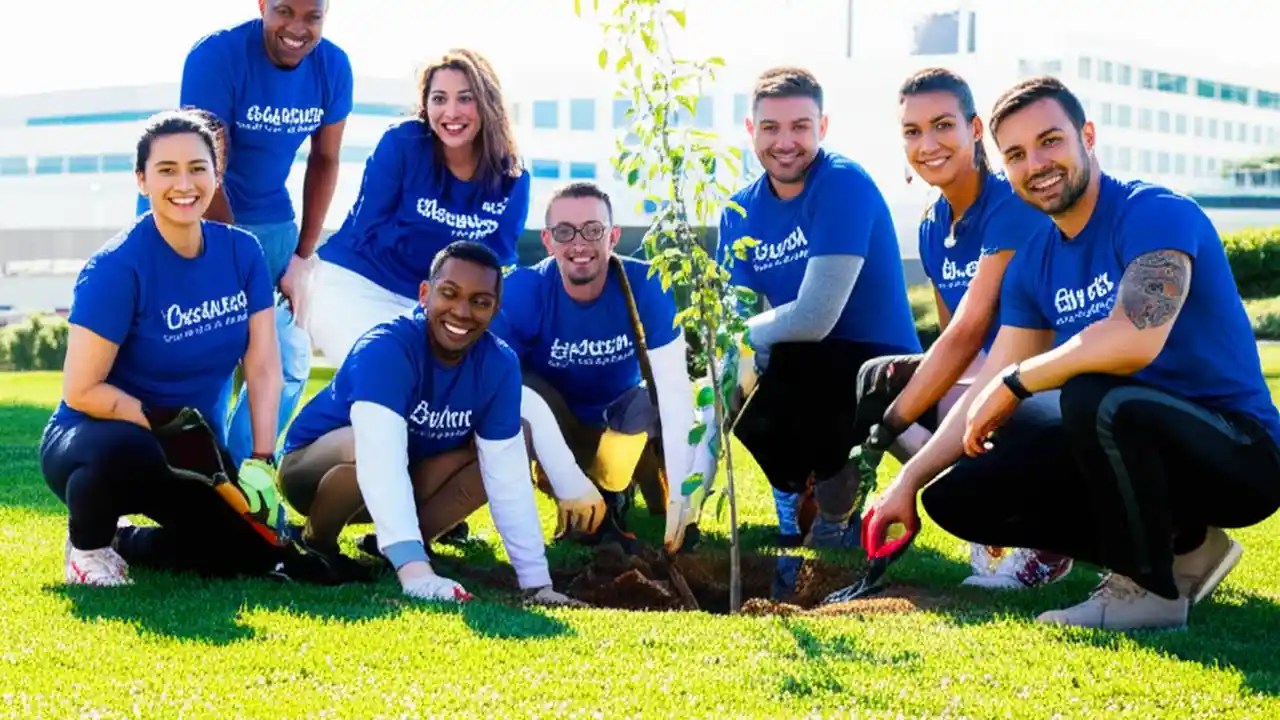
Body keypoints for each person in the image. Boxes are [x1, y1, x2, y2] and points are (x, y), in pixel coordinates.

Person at [866, 76, 1280, 630]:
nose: (1036, 163)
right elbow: (992, 378)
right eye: (1015, 154)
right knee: (960, 496)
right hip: (1140, 446)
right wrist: (908, 482)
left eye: (1049, 141)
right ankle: (1185, 545)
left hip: (1239, 454)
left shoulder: (1153, 212)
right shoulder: (1035, 259)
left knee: (1091, 394)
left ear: (1087, 135)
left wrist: (1017, 383)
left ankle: (1148, 593)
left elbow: (1133, 338)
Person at [41, 111, 284, 586]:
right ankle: (87, 549)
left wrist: (261, 458)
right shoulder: (116, 267)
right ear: (141, 180)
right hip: (97, 439)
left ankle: (125, 542)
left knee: (254, 550)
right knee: (123, 448)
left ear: (216, 175)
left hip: (192, 447)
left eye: (197, 167)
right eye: (166, 170)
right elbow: (81, 390)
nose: (184, 183)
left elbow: (263, 365)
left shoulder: (243, 251)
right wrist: (164, 425)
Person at [852, 67, 1072, 589]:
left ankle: (1046, 540)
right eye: (912, 131)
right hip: (991, 376)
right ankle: (986, 511)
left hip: (1044, 378)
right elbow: (956, 346)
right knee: (878, 380)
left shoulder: (1011, 206)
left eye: (942, 125)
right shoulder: (932, 227)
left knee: (901, 408)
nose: (927, 143)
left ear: (975, 130)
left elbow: (970, 330)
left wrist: (885, 429)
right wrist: (887, 413)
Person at [277, 241, 579, 606]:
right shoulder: (387, 347)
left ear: (495, 309)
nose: (462, 311)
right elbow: (381, 456)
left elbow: (507, 477)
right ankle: (318, 543)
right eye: (449, 294)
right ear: (425, 293)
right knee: (366, 444)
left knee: (503, 445)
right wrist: (415, 573)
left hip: (404, 473)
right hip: (315, 472)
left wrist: (536, 582)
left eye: (480, 302)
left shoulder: (499, 364)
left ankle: (396, 545)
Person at [716, 66, 921, 549]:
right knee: (739, 375)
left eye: (800, 127)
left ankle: (836, 505)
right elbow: (736, 319)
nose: (784, 142)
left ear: (822, 128)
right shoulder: (738, 211)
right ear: (751, 130)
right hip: (807, 362)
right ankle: (794, 499)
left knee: (792, 354)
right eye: (770, 128)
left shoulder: (842, 184)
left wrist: (742, 338)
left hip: (879, 363)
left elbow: (814, 317)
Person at [159, 0, 354, 466]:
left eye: (313, 17)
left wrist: (304, 257)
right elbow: (205, 170)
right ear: (263, 6)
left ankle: (240, 473)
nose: (297, 29)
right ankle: (196, 475)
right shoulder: (217, 56)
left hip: (272, 222)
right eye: (285, 11)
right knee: (213, 353)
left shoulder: (333, 67)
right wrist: (231, 260)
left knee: (288, 361)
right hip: (196, 214)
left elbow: (325, 159)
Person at [490, 182, 707, 549]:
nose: (579, 244)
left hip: (624, 418)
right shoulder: (523, 291)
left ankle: (619, 491)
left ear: (613, 237)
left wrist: (683, 509)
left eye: (593, 230)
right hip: (558, 426)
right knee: (521, 387)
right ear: (547, 240)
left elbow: (674, 397)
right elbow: (497, 388)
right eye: (564, 232)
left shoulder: (645, 285)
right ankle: (556, 515)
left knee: (654, 400)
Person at [307, 48, 531, 368]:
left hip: (434, 305)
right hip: (359, 284)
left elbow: (495, 266)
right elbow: (365, 226)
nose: (451, 112)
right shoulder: (404, 144)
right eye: (439, 99)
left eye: (465, 98)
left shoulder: (512, 178)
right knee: (383, 373)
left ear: (488, 104)